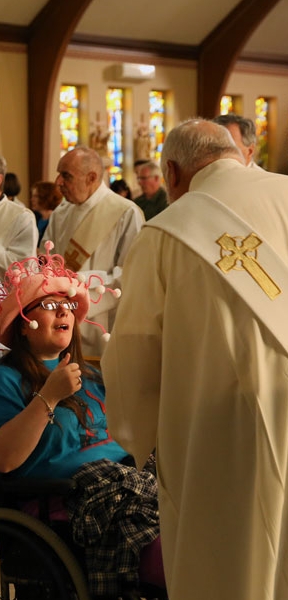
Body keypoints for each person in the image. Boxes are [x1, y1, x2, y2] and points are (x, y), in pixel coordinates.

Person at [102, 118, 288, 600]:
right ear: (239, 153)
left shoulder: (164, 232)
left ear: (173, 172)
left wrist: (135, 432)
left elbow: (136, 350)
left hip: (218, 434)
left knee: (228, 557)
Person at [0, 245, 163, 600]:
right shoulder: (4, 380)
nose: (64, 309)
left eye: (68, 304)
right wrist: (48, 397)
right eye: (49, 304)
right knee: (172, 552)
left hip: (125, 483)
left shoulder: (91, 373)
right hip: (66, 501)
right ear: (23, 325)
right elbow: (2, 459)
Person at [42, 147, 143, 356]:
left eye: (66, 176)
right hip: (58, 318)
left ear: (92, 177)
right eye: (58, 174)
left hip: (101, 322)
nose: (58, 182)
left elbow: (131, 276)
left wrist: (78, 284)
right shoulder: (61, 212)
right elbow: (45, 256)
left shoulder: (125, 212)